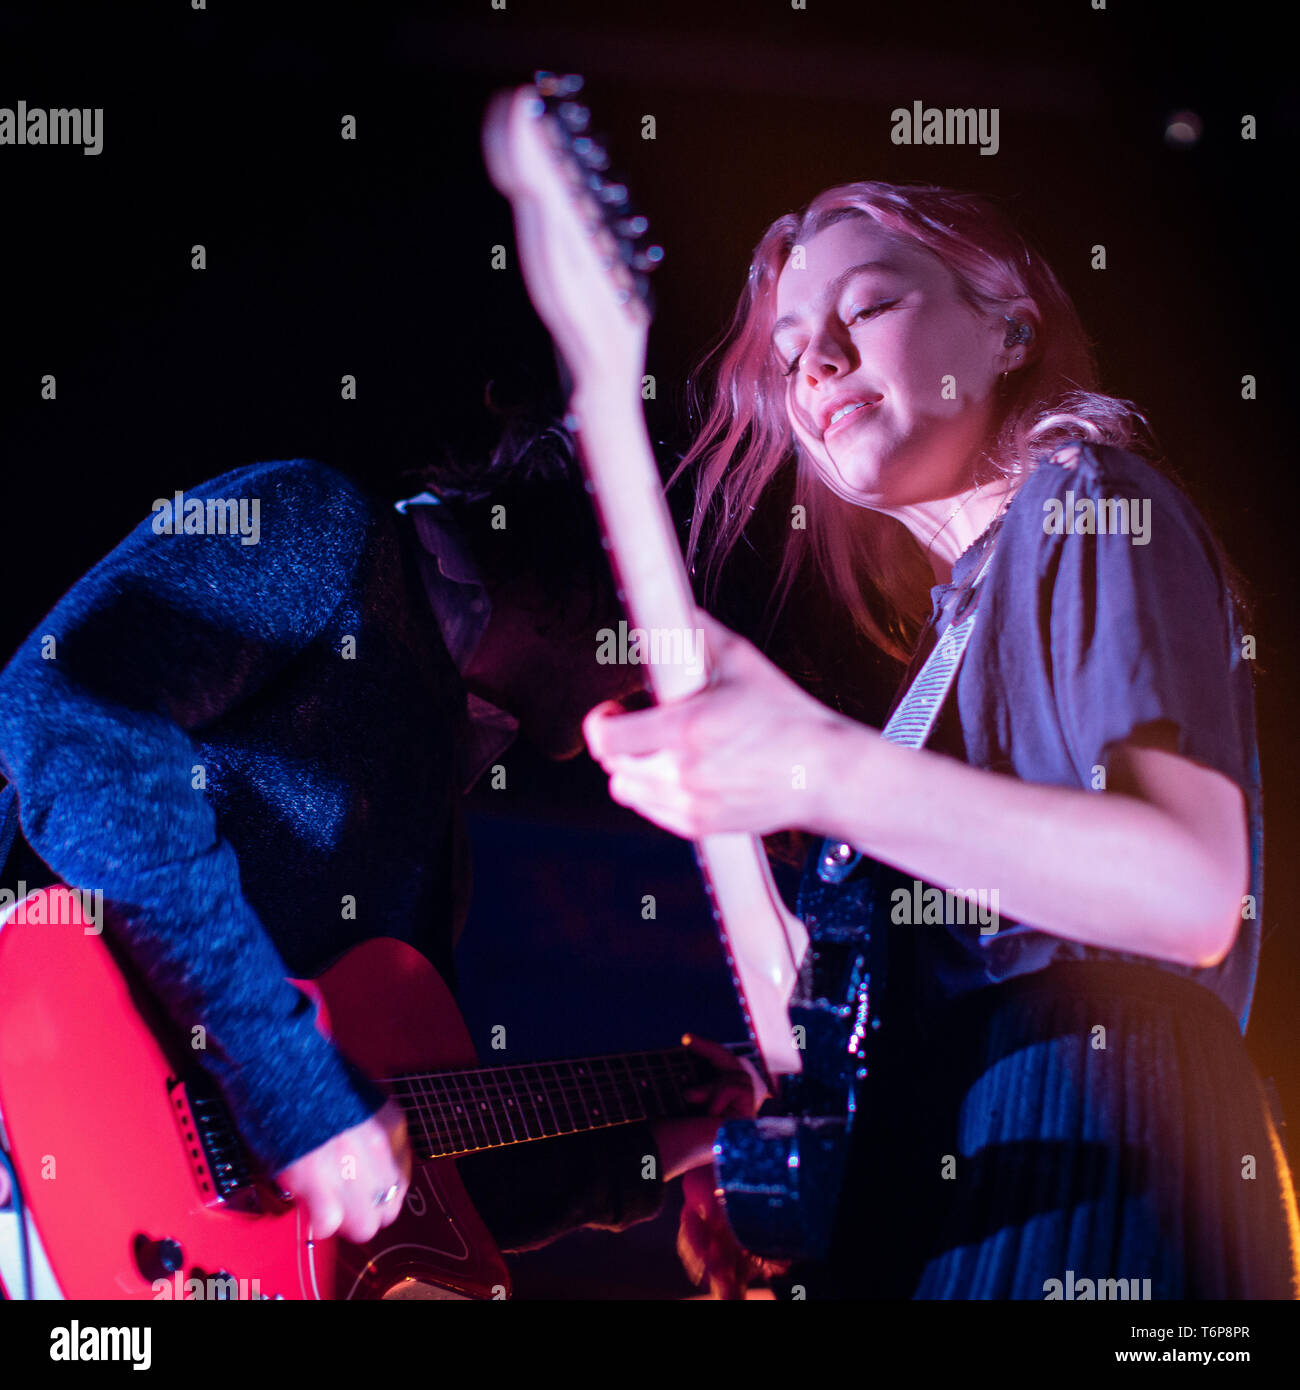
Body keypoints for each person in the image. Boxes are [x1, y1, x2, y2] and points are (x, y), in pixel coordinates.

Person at [583, 181, 1300, 1299]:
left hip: (1091, 1162)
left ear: (1010, 327)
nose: (816, 363)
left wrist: (819, 765)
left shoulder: (1089, 500)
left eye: (868, 307)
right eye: (789, 353)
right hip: (972, 1190)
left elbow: (1188, 887)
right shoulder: (950, 640)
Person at [0, 413, 749, 1276]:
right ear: (608, 580)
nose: (670, 694)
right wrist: (288, 1080)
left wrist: (669, 1146)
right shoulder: (325, 530)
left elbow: (413, 1188)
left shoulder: (438, 835)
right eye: (681, 650)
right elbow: (63, 714)